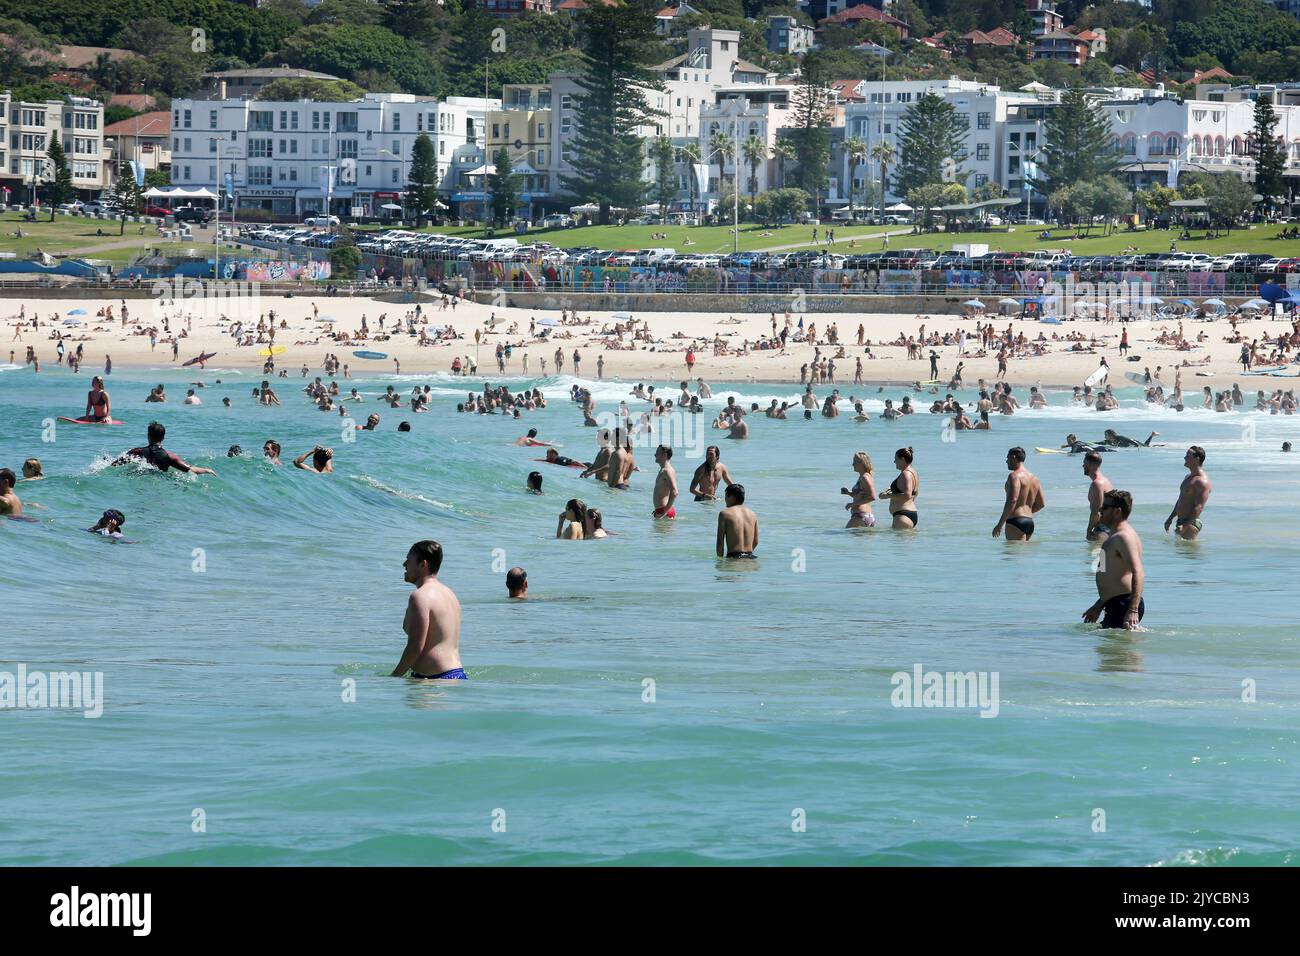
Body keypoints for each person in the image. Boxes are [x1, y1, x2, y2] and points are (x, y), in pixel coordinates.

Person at [392, 540, 465, 680]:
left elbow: (415, 647)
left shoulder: (420, 597)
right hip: (456, 675)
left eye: (408, 560)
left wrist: (395, 676)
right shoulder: (450, 594)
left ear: (423, 564)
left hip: (434, 681)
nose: (404, 565)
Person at [1082, 491, 1145, 630]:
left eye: (1104, 507)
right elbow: (1111, 576)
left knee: (1119, 651)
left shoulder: (1123, 537)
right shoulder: (1113, 537)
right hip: (1114, 603)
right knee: (1110, 650)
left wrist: (1133, 609)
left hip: (1124, 604)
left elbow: (1138, 572)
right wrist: (1099, 605)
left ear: (1117, 512)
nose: (1100, 510)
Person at [113, 422, 217, 475]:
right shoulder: (169, 457)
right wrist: (207, 470)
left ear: (148, 436)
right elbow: (190, 469)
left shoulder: (137, 451)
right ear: (163, 438)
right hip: (160, 478)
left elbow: (115, 464)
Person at [993, 446, 1045, 541]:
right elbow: (1041, 504)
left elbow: (1013, 500)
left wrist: (1000, 524)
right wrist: (1026, 513)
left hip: (1015, 522)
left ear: (1013, 457)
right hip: (1029, 522)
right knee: (1023, 554)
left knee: (1012, 554)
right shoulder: (1034, 478)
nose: (1006, 461)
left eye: (1007, 458)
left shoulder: (1014, 476)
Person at [1165, 445, 1211, 540]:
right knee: (1182, 552)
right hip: (1181, 521)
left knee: (1190, 553)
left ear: (1197, 459)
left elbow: (1199, 507)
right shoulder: (1188, 477)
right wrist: (1170, 518)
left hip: (1191, 523)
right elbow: (1181, 500)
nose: (1184, 458)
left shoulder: (1202, 481)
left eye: (1188, 456)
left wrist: (1185, 526)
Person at [878, 447, 918, 529]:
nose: (894, 462)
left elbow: (907, 495)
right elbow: (915, 494)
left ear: (902, 459)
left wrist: (887, 496)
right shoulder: (913, 472)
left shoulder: (906, 474)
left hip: (902, 516)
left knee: (896, 541)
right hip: (909, 514)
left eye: (896, 459)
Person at [716, 484, 758, 558]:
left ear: (731, 497)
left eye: (726, 496)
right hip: (750, 558)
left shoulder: (724, 514)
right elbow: (755, 541)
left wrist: (720, 561)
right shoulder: (752, 514)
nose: (725, 499)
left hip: (734, 557)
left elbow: (720, 542)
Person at [1082, 451, 1114, 542]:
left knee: (1097, 555)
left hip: (1103, 529)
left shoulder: (1097, 484)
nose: (1083, 466)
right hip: (1110, 527)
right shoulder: (1105, 480)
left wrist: (1088, 531)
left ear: (1089, 464)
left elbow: (1096, 512)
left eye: (1084, 463)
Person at [841, 451, 877, 528]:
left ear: (862, 463)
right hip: (866, 516)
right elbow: (863, 495)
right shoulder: (864, 477)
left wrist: (852, 504)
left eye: (855, 462)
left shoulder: (865, 477)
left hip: (860, 516)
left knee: (844, 536)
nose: (853, 464)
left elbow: (872, 497)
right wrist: (849, 493)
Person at [652, 445, 678, 518]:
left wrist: (665, 511)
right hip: (662, 510)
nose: (655, 455)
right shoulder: (663, 470)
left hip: (663, 511)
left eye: (657, 452)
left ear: (664, 455)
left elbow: (675, 492)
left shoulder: (667, 471)